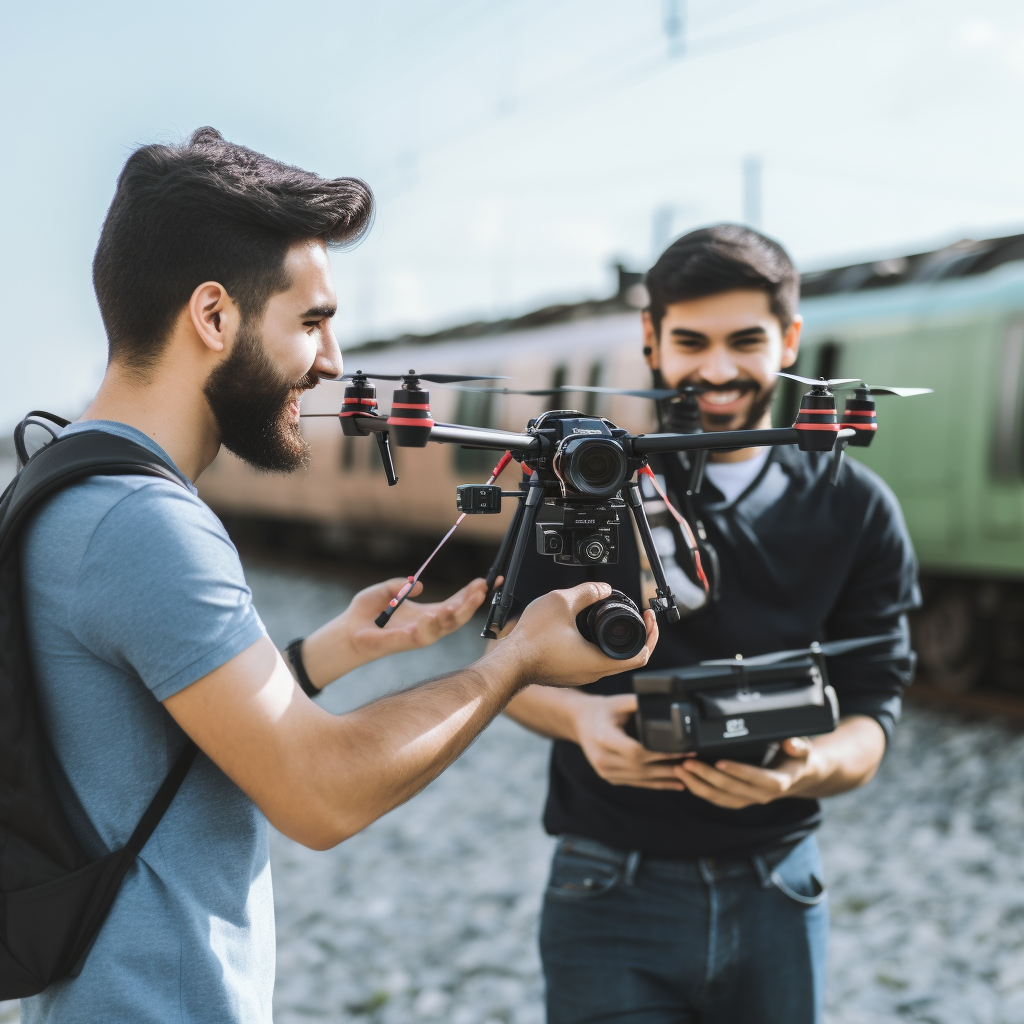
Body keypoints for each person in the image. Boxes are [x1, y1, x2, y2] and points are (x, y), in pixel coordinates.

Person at [17, 128, 658, 1024]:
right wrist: (512, 663)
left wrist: (318, 658)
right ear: (213, 316)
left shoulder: (65, 477)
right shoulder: (142, 522)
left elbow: (141, 730)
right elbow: (320, 794)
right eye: (312, 321)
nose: (333, 363)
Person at [501, 224, 919, 1024]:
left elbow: (874, 715)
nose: (718, 370)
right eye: (690, 341)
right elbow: (503, 671)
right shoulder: (584, 484)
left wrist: (805, 767)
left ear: (790, 339)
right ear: (651, 338)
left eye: (746, 341)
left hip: (780, 887)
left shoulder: (858, 509)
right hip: (606, 886)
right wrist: (585, 720)